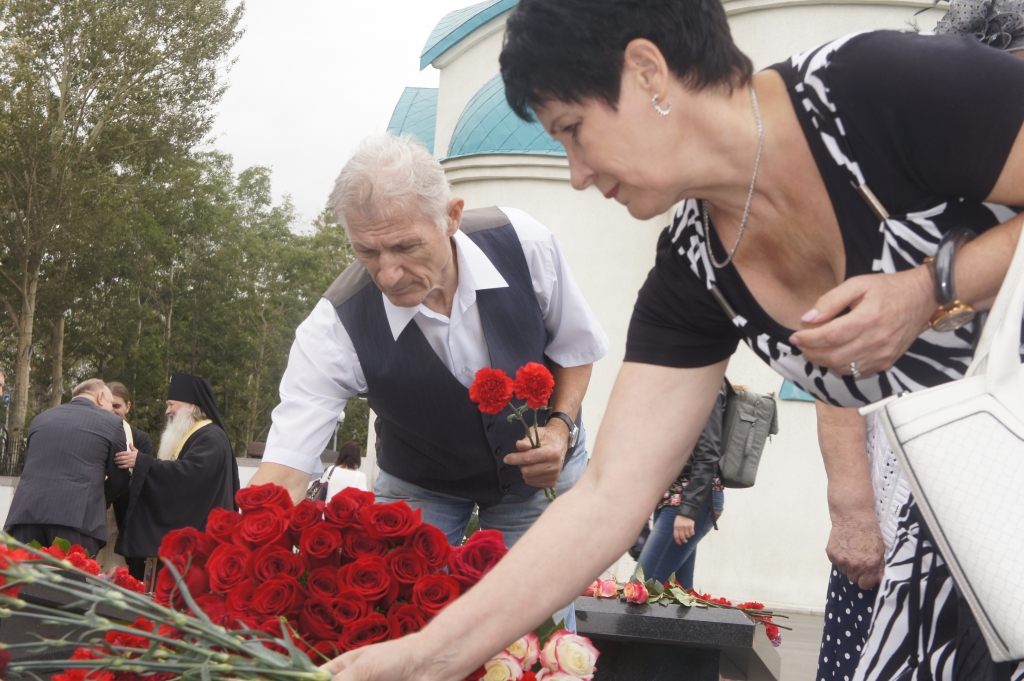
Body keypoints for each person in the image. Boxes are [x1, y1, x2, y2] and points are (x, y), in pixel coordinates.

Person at [321, 1, 1024, 680]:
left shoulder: (869, 88)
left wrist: (930, 287)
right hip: (976, 537)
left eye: (573, 129)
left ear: (648, 72)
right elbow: (606, 496)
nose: (576, 173)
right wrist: (426, 655)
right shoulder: (695, 269)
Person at [249, 133, 607, 559]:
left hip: (540, 473)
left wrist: (559, 429)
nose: (388, 274)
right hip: (421, 484)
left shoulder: (524, 243)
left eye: (405, 246)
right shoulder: (335, 324)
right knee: (395, 607)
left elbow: (576, 349)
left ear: (451, 216)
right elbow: (286, 464)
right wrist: (238, 547)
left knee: (538, 617)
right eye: (367, 251)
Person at [114, 372, 239, 580]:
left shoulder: (210, 437)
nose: (167, 411)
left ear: (192, 406)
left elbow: (190, 475)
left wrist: (143, 463)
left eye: (172, 404)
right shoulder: (198, 435)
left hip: (200, 545)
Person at [4, 379, 129, 556]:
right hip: (75, 522)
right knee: (71, 582)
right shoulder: (112, 423)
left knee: (25, 582)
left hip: (24, 517)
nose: (111, 411)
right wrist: (95, 503)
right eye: (110, 405)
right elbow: (119, 479)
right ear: (101, 396)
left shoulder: (40, 420)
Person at [637, 386, 726, 588]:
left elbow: (708, 455)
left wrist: (688, 511)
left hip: (688, 500)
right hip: (673, 499)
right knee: (676, 596)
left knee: (641, 588)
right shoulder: (681, 385)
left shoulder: (704, 386)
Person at [104, 381, 155, 576]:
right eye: (109, 406)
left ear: (128, 406)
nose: (112, 411)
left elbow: (146, 479)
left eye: (117, 406)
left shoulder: (140, 439)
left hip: (125, 515)